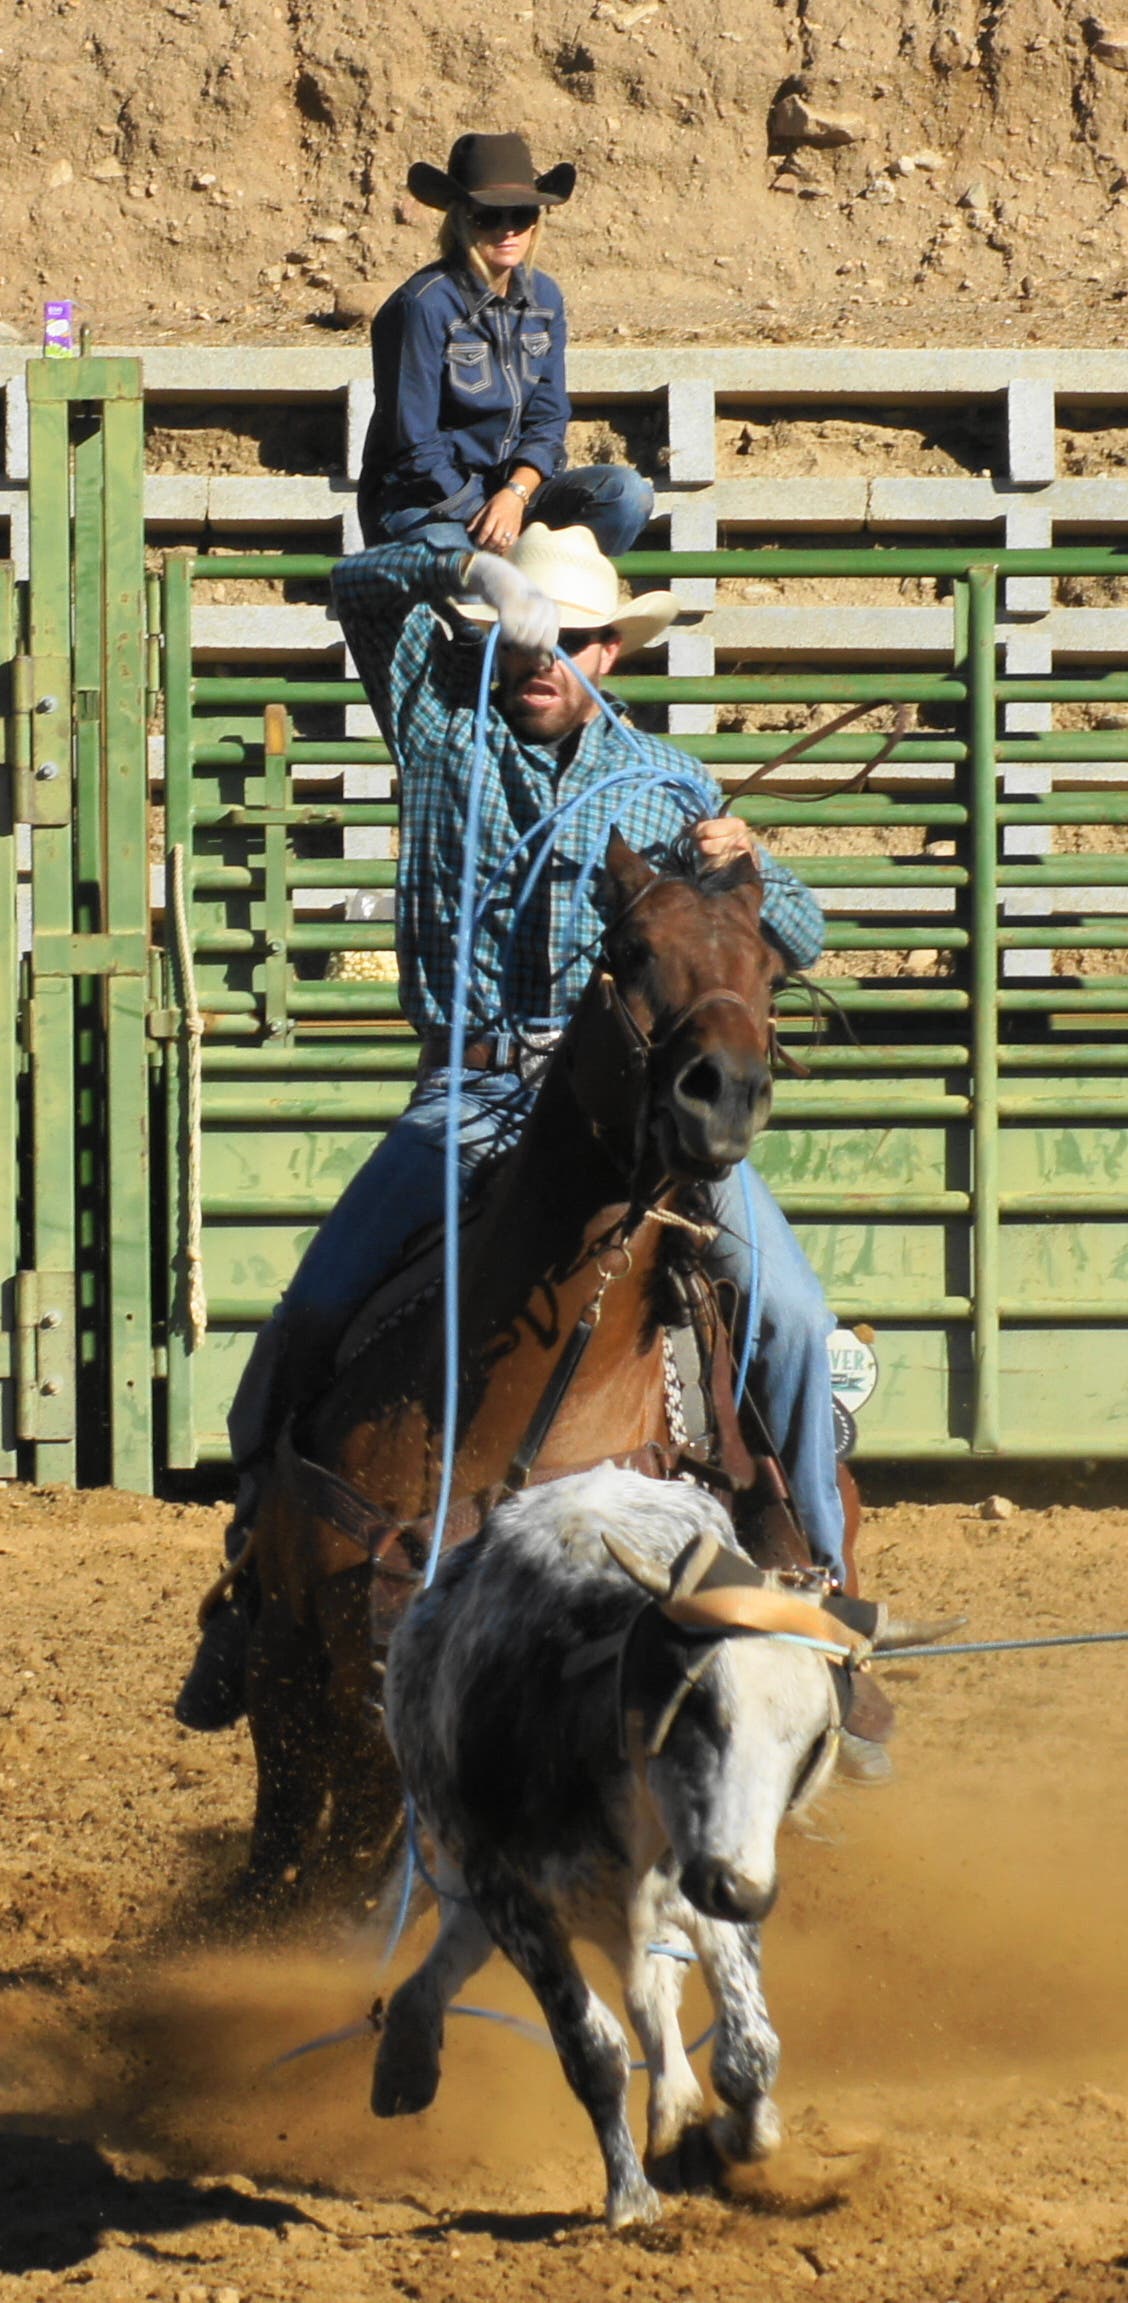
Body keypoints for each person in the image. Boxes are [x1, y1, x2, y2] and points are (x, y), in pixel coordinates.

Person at [176, 521, 860, 1762]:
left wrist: (750, 860)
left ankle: (819, 1593)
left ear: (612, 651)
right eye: (537, 633)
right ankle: (256, 1573)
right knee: (310, 1319)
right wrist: (473, 575)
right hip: (470, 1095)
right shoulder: (446, 726)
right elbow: (356, 586)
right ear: (506, 636)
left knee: (795, 1319)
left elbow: (795, 935)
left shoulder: (668, 784)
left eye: (581, 636)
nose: (556, 656)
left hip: (628, 1116)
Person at [356, 131, 653, 559]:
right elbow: (414, 445)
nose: (508, 229)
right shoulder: (420, 306)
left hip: (511, 496)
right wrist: (482, 515)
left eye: (522, 214)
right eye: (488, 217)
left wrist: (515, 494)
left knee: (627, 494)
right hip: (426, 504)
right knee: (463, 561)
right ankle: (516, 602)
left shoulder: (545, 298)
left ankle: (558, 612)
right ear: (459, 221)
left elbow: (549, 419)